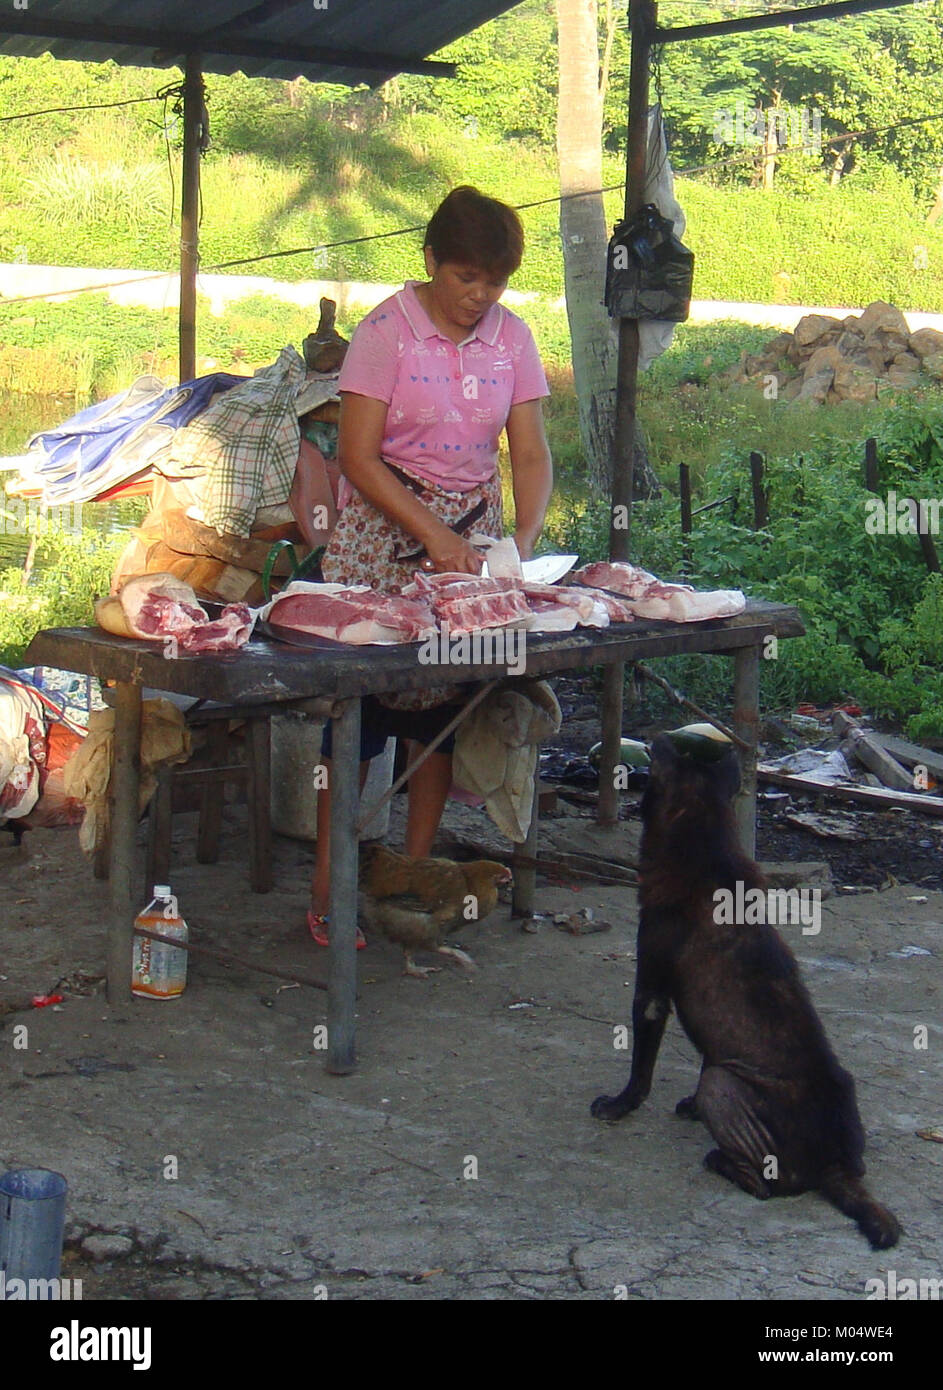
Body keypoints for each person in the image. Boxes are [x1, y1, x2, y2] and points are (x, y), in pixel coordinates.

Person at [307, 185, 553, 945]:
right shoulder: (386, 331)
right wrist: (430, 535)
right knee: (359, 723)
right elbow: (356, 456)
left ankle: (410, 882)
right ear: (431, 262)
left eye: (494, 282)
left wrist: (524, 545)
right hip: (380, 544)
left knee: (440, 720)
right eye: (464, 278)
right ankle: (325, 895)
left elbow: (531, 451)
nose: (479, 297)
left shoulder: (512, 339)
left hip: (471, 543)